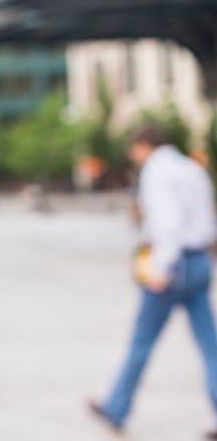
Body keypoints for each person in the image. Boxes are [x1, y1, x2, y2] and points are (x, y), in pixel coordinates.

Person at [89, 124, 217, 439]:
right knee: (210, 347)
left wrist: (162, 269)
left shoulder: (156, 172)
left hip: (171, 265)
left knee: (141, 342)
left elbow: (168, 224)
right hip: (199, 260)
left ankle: (116, 408)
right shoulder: (192, 168)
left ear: (143, 145)